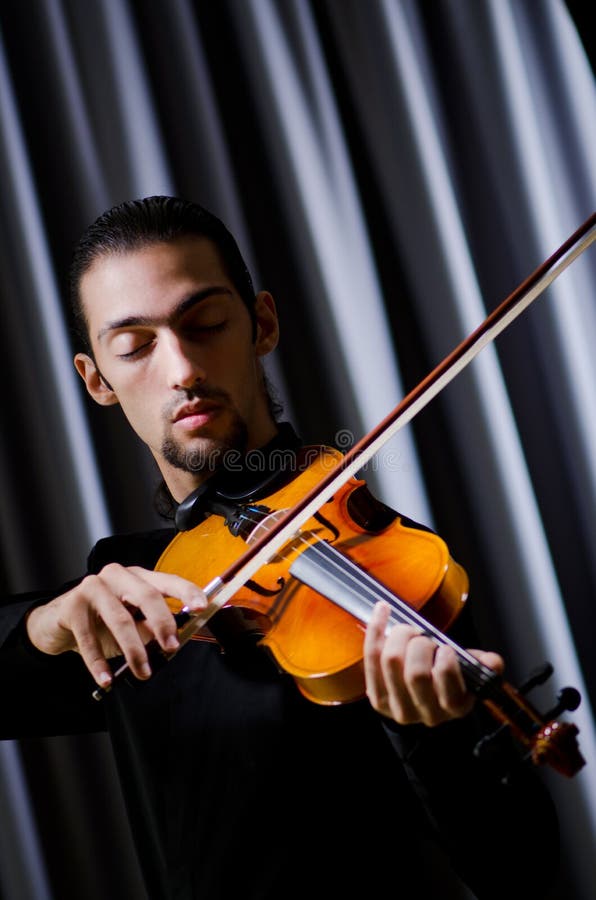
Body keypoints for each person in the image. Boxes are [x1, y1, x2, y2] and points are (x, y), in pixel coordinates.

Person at [0, 196, 561, 900]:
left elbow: (522, 869)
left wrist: (436, 736)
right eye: (136, 346)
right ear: (96, 381)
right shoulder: (128, 592)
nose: (181, 369)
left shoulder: (388, 564)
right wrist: (43, 626)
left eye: (206, 324)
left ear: (262, 323)